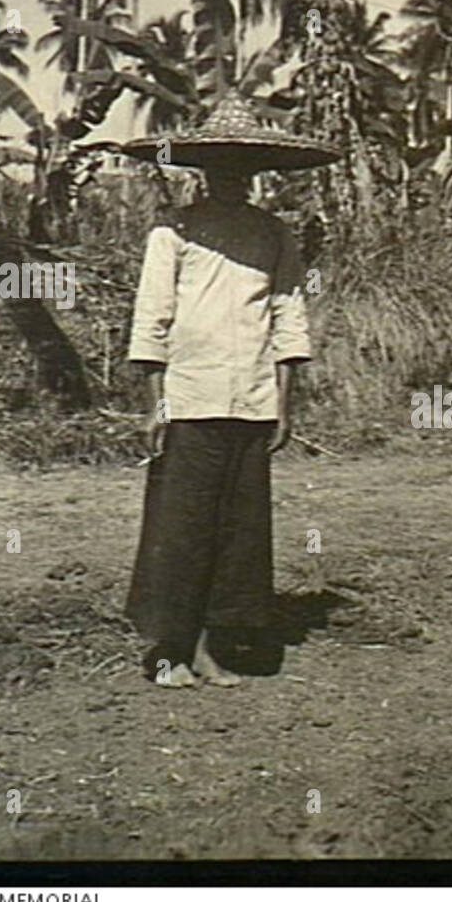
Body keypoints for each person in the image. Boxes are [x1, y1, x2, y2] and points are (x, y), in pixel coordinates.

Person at [120, 94, 339, 687]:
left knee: (239, 530)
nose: (231, 178)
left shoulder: (273, 234)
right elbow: (153, 317)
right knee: (182, 527)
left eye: (243, 168)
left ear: (254, 174)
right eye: (221, 166)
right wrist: (156, 401)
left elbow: (288, 316)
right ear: (203, 169)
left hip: (252, 399)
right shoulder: (174, 230)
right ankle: (169, 651)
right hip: (191, 397)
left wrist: (285, 405)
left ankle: (216, 647)